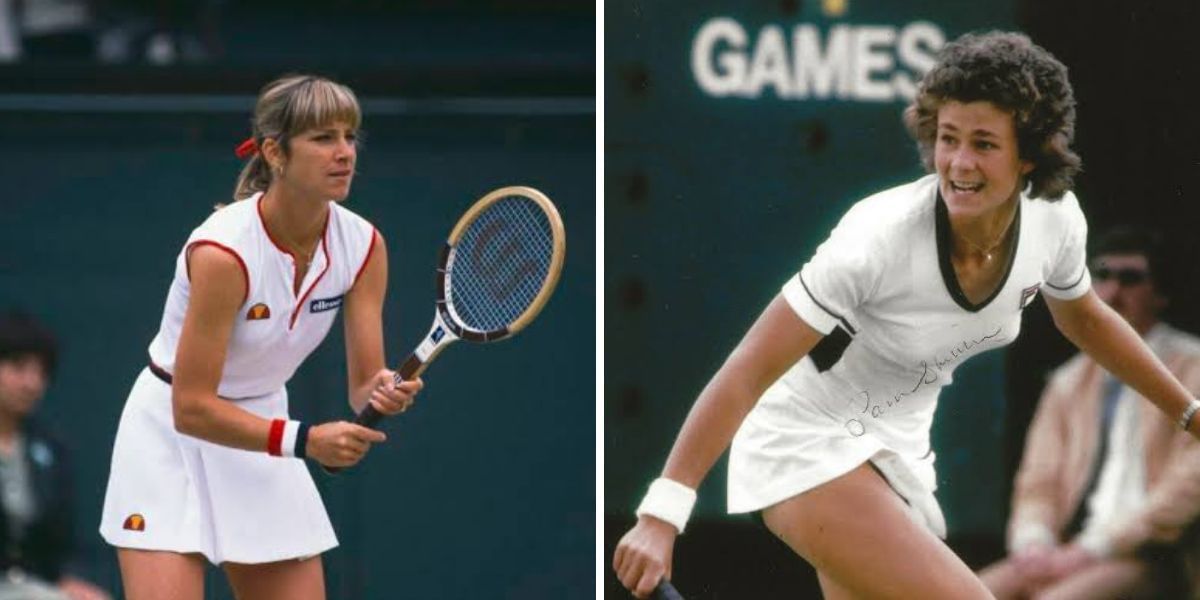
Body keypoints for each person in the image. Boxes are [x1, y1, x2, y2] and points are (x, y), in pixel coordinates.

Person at [613, 31, 1200, 599]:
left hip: (896, 451)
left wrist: (1189, 413)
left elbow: (1087, 318)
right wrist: (662, 513)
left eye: (984, 143)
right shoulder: (875, 240)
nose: (960, 163)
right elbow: (747, 370)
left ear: (1029, 155)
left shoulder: (1055, 220)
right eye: (948, 138)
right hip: (802, 445)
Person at [99, 74, 422, 600]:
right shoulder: (223, 252)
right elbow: (192, 409)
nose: (343, 153)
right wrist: (306, 441)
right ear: (275, 151)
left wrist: (385, 391)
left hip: (263, 428)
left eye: (349, 137)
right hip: (169, 434)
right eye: (323, 139)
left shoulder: (364, 247)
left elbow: (364, 387)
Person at [979, 227, 1200, 599]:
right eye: (1103, 276)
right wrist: (1035, 543)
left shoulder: (1192, 366)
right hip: (1067, 549)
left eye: (1130, 279)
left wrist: (1092, 550)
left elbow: (1188, 485)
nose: (1113, 292)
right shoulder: (1069, 381)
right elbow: (1039, 480)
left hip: (1151, 555)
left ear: (1159, 293)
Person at [0, 312, 110, 600]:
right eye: (18, 367)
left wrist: (71, 580)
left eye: (41, 372)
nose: (31, 383)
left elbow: (63, 541)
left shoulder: (49, 449)